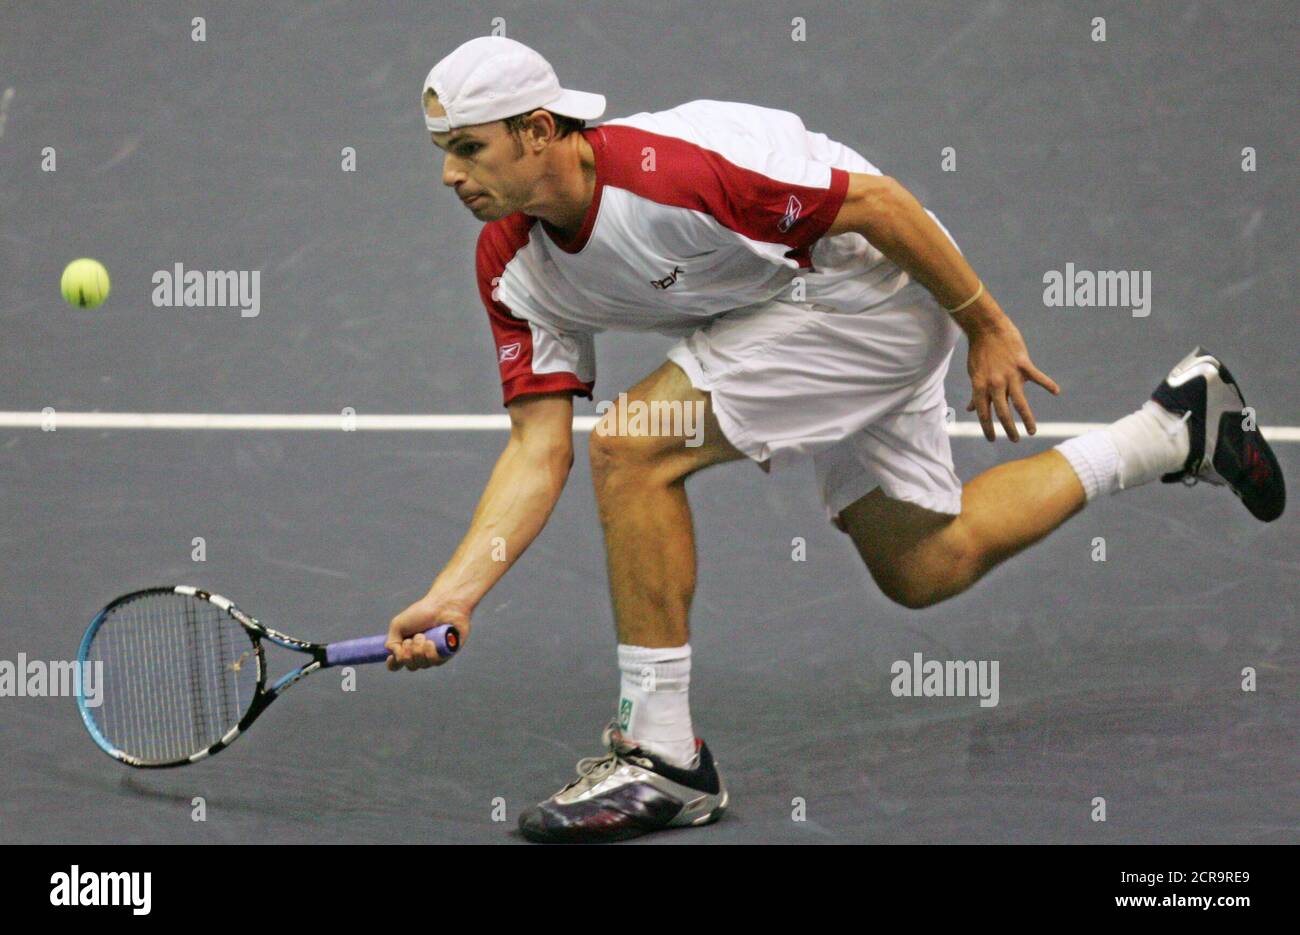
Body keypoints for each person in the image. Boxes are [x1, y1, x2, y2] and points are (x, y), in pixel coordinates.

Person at [384, 36, 1285, 843]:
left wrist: (985, 326)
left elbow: (880, 206)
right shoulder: (511, 265)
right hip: (777, 311)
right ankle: (1172, 429)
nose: (451, 175)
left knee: (633, 444)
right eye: (443, 153)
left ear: (539, 131)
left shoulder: (674, 174)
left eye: (469, 148)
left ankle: (664, 757)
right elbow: (537, 448)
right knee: (926, 563)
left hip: (871, 291)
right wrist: (455, 594)